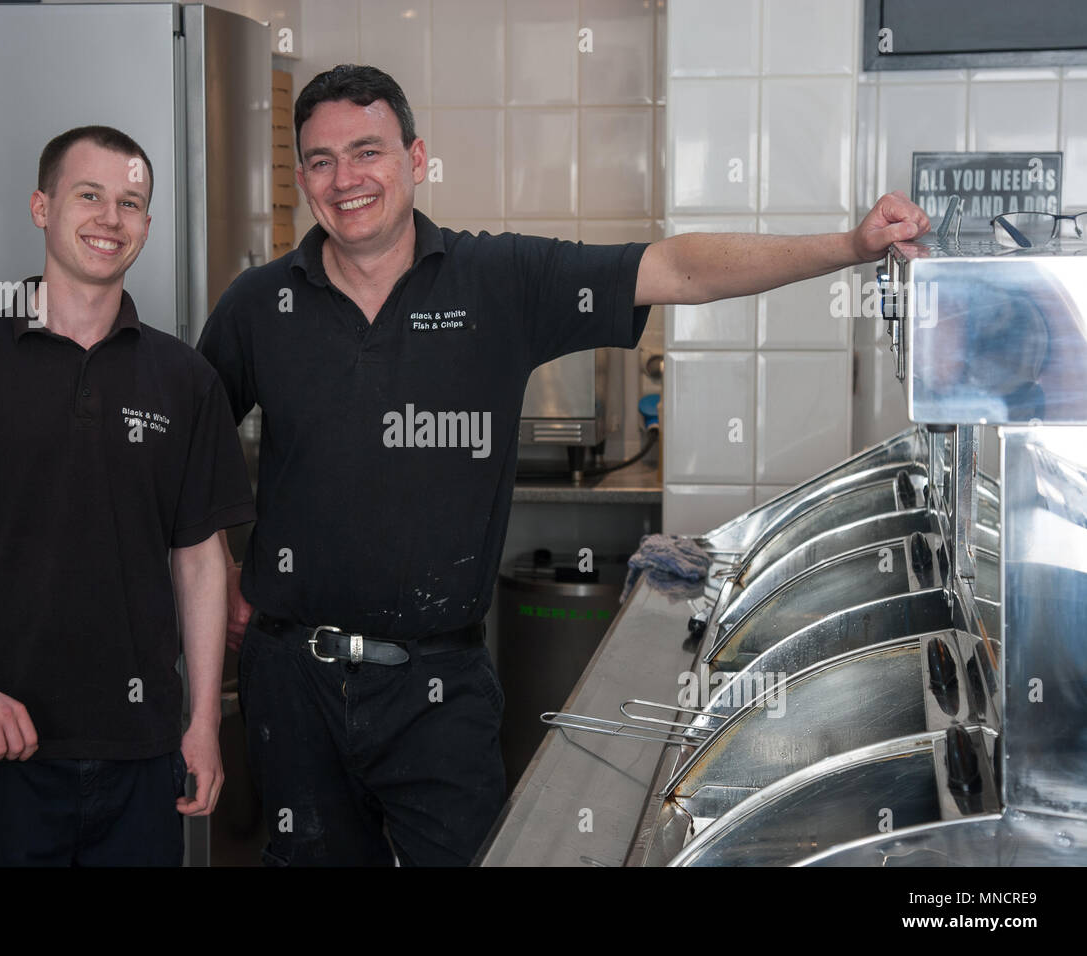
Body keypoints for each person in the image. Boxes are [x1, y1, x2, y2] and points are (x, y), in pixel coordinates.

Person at [196, 65, 930, 867]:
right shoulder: (259, 306)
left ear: (416, 157)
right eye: (322, 161)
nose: (346, 180)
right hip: (291, 679)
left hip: (436, 687)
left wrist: (849, 248)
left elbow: (679, 269)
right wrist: (224, 563)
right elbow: (191, 462)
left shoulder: (499, 280)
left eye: (367, 152)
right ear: (302, 175)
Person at [0, 125, 255, 866]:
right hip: (6, 748)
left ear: (147, 225)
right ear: (40, 206)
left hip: (143, 753)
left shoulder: (182, 379)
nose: (110, 219)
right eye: (90, 196)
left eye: (131, 203)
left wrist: (204, 719)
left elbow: (200, 560)